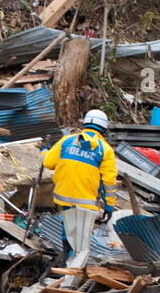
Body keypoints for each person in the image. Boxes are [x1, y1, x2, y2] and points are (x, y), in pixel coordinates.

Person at [41, 108, 117, 265]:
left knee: (67, 225)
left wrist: (44, 151)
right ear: (104, 129)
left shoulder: (66, 141)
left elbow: (48, 163)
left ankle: (64, 255)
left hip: (63, 196)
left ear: (85, 123)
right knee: (81, 235)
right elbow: (109, 182)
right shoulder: (105, 150)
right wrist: (109, 207)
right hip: (86, 201)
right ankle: (73, 265)